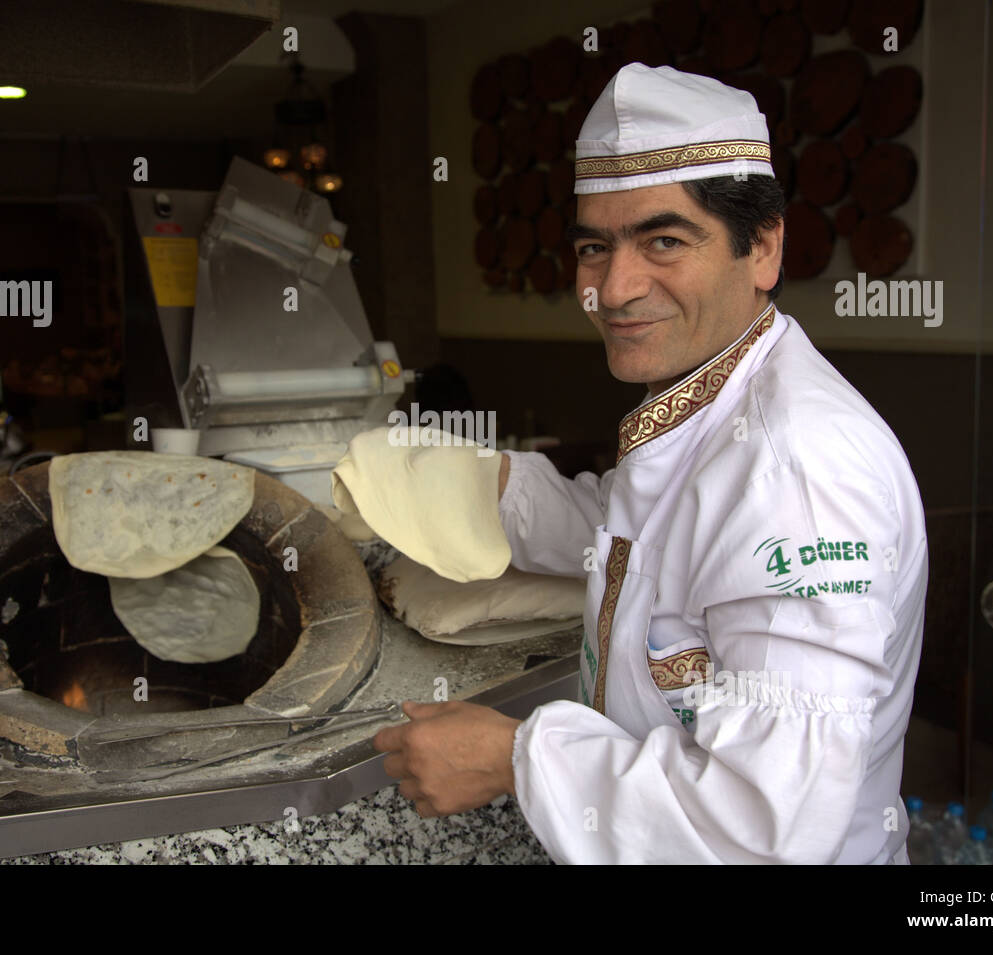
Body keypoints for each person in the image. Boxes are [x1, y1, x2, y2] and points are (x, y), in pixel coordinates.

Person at [373, 64, 929, 864]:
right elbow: (642, 531)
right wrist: (465, 486)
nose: (614, 288)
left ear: (763, 246)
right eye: (595, 247)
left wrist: (515, 756)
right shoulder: (711, 401)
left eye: (664, 240)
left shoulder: (800, 475)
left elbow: (770, 831)